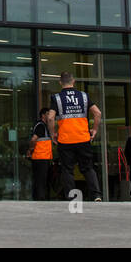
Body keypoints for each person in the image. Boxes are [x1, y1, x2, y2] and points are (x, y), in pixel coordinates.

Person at [51, 72, 102, 202]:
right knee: (87, 168)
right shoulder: (84, 96)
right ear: (73, 81)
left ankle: (72, 198)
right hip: (83, 138)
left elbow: (51, 117)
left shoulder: (56, 98)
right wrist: (94, 130)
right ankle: (96, 195)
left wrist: (53, 134)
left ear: (60, 82)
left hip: (65, 140)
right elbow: (97, 113)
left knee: (67, 170)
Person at [29, 107, 56, 201]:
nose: (50, 116)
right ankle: (40, 199)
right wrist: (31, 149)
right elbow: (33, 139)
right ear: (43, 115)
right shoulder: (40, 126)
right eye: (48, 114)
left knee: (44, 180)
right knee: (41, 180)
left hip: (45, 157)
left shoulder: (46, 127)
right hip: (40, 158)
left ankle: (42, 198)